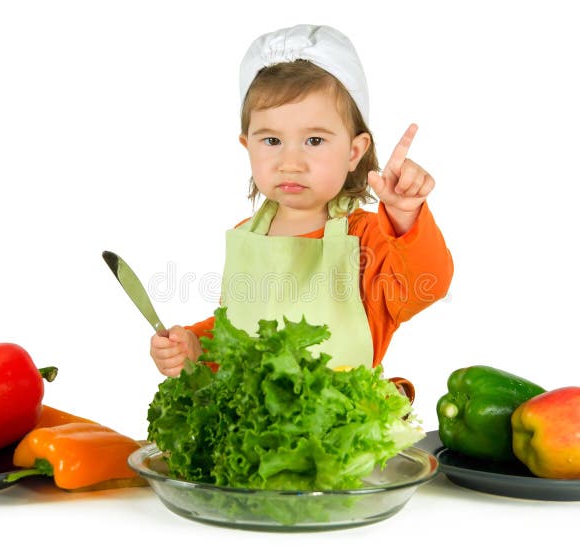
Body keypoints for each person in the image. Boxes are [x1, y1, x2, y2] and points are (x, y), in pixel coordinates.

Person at [150, 24, 453, 378]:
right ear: (248, 146)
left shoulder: (367, 237)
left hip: (342, 427)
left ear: (354, 151)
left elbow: (429, 283)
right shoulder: (246, 236)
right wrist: (195, 345)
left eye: (314, 141)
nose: (290, 162)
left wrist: (405, 215)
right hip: (260, 432)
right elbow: (236, 334)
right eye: (272, 141)